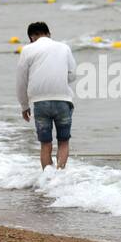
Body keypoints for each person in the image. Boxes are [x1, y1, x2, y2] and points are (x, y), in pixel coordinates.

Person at [15, 21, 76, 169]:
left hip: (40, 103)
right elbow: (73, 75)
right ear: (49, 34)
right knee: (63, 142)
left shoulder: (27, 50)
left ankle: (47, 180)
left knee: (45, 144)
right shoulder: (64, 47)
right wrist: (61, 79)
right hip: (63, 101)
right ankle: (59, 176)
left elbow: (21, 81)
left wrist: (24, 106)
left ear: (31, 37)